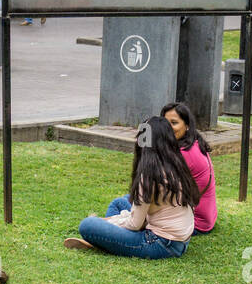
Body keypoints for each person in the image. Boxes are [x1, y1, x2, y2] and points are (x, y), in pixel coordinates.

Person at [64, 116, 200, 259]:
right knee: (119, 203)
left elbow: (135, 224)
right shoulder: (177, 164)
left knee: (88, 225)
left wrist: (108, 221)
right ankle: (109, 240)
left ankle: (104, 241)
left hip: (160, 243)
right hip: (180, 240)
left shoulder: (149, 175)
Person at [161, 102, 217, 234]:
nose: (168, 128)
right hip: (206, 217)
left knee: (120, 203)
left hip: (194, 221)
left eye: (174, 123)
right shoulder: (194, 143)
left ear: (187, 126)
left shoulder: (185, 153)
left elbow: (160, 191)